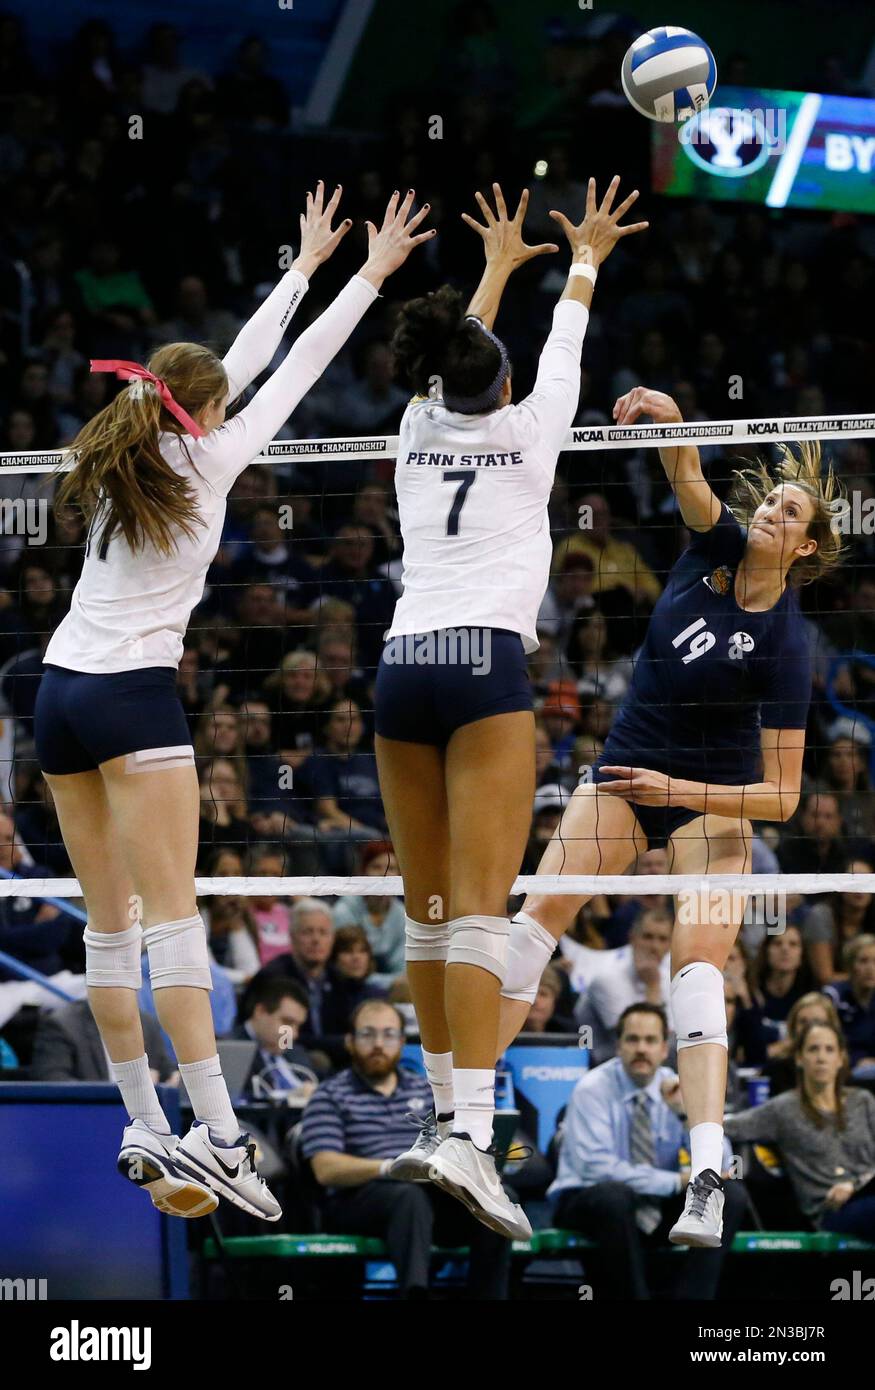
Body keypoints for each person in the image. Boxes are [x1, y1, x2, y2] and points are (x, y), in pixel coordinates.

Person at [32, 182, 434, 1223]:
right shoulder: (210, 463)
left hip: (60, 695)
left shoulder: (125, 443)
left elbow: (236, 360)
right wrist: (365, 277)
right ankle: (216, 1132)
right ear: (204, 414)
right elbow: (289, 369)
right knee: (172, 922)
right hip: (130, 703)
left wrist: (301, 268)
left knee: (107, 931)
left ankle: (141, 1121)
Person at [499, 383, 845, 1247]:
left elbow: (782, 799)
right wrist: (671, 411)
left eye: (788, 509)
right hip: (628, 761)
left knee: (695, 966)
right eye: (769, 495)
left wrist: (674, 796)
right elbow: (685, 467)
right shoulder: (716, 541)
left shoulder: (787, 644)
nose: (769, 509)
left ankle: (703, 1178)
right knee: (535, 916)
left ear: (804, 545)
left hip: (708, 795)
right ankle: (463, 1126)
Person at [376, 177, 647, 1240]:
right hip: (483, 667)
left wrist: (493, 266)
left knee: (429, 912)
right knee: (485, 913)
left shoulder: (410, 426)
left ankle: (440, 1113)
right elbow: (562, 340)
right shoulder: (533, 430)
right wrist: (580, 257)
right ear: (501, 386)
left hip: (404, 664)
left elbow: (461, 355)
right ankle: (474, 1139)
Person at [299, 999, 512, 1299]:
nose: (378, 1044)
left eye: (388, 1035)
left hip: (430, 1197)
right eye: (367, 1034)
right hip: (360, 1201)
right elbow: (325, 1169)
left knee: (495, 1197)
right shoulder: (329, 1095)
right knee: (408, 1197)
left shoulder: (426, 1091)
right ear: (349, 1041)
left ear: (401, 1042)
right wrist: (390, 1167)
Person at [549, 1004, 748, 1299]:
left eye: (650, 1040)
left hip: (655, 1204)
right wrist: (675, 1182)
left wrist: (684, 1114)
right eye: (632, 1039)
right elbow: (595, 1168)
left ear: (664, 1047)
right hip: (589, 1201)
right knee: (614, 1197)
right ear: (618, 1045)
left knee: (730, 1196)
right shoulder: (593, 1088)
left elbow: (719, 1167)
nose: (641, 1049)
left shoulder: (676, 1086)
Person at [725, 1021, 875, 1240]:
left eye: (829, 1049)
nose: (821, 1058)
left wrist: (855, 1185)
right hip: (833, 1210)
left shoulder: (863, 1101)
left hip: (867, 1190)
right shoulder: (783, 1109)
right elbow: (728, 1126)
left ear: (841, 1058)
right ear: (799, 1058)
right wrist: (683, 1110)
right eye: (813, 1049)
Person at [31, 998, 176, 1084]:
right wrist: (128, 1088)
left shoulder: (145, 1023)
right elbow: (54, 1083)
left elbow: (166, 1071)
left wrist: (174, 1079)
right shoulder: (62, 1025)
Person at [734, 924, 816, 1066]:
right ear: (767, 951)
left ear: (802, 954)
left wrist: (773, 1049)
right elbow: (743, 1053)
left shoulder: (811, 997)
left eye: (793, 944)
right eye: (777, 943)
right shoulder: (749, 994)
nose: (785, 949)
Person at [331, 841, 407, 984]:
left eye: (391, 868)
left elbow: (401, 969)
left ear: (399, 875)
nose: (384, 875)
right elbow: (348, 968)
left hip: (389, 987)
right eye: (376, 867)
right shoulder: (344, 911)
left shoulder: (401, 914)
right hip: (346, 984)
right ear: (364, 872)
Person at [823, 935, 875, 1068]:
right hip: (841, 1069)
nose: (870, 968)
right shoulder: (834, 996)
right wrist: (855, 1061)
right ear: (850, 966)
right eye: (863, 961)